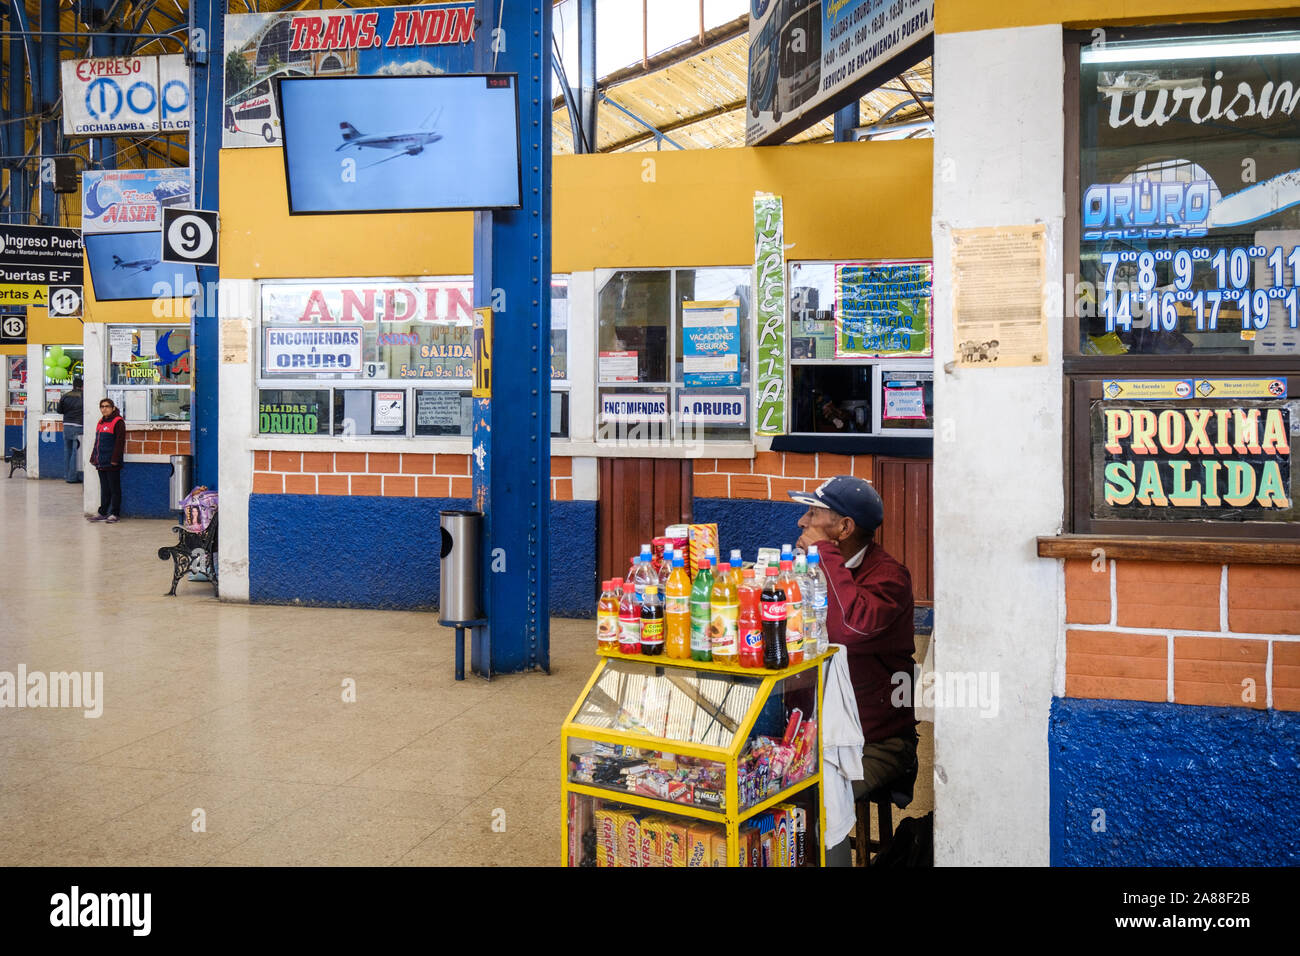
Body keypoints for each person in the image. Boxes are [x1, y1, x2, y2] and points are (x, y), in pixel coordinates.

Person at [787, 475, 916, 866]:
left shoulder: (890, 579)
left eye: (813, 513)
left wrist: (825, 554)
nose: (802, 522)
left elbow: (851, 628)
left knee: (817, 791)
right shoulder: (810, 567)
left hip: (876, 743)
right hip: (814, 732)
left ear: (843, 528)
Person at [88, 398, 126, 523]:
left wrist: (115, 460)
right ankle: (102, 512)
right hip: (101, 461)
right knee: (104, 489)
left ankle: (115, 513)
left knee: (114, 489)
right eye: (102, 406)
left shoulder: (118, 422)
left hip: (112, 462)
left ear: (113, 408)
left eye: (107, 406)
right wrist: (94, 457)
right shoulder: (100, 422)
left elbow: (120, 443)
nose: (104, 409)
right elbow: (97, 442)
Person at [57, 377, 84, 483]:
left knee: (67, 451)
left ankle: (67, 475)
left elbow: (59, 411)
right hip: (79, 426)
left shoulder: (65, 396)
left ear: (73, 386)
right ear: (82, 386)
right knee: (76, 452)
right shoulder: (84, 396)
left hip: (67, 426)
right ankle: (73, 477)